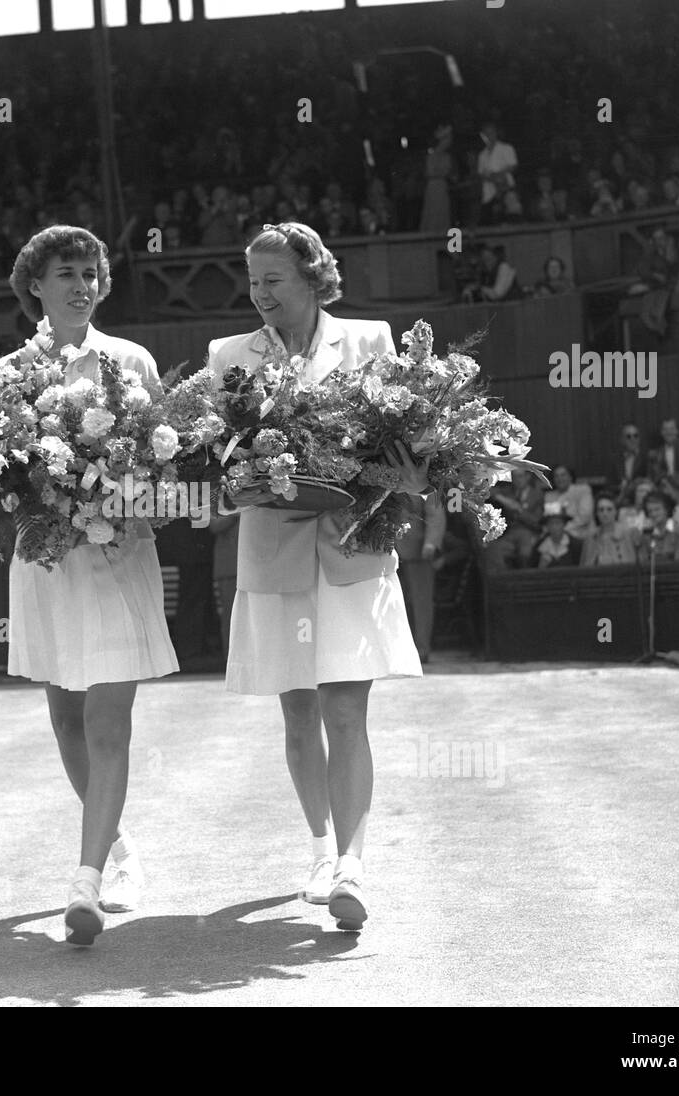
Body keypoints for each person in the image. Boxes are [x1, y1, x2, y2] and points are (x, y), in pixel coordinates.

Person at [208, 222, 426, 931]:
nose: (261, 293)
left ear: (311, 278)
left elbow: (406, 447)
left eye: (274, 279)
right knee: (299, 712)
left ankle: (353, 867)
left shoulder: (370, 341)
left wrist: (404, 475)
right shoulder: (228, 356)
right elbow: (214, 467)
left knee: (345, 709)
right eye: (252, 281)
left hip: (353, 549)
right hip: (273, 553)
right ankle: (319, 848)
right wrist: (234, 487)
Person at [0, 226, 178, 946]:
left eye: (90, 272)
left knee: (108, 724)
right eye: (65, 273)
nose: (81, 284)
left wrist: (125, 498)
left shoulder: (131, 361)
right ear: (35, 287)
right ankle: (121, 849)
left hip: (115, 557)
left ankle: (87, 880)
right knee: (67, 721)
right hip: (45, 564)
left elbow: (165, 468)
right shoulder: (11, 372)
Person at [397, 491, 445, 662]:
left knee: (421, 602)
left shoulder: (425, 473)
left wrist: (431, 543)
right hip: (382, 551)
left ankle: (421, 650)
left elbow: (435, 511)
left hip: (417, 551)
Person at [482, 468, 544, 571]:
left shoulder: (537, 494)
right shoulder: (508, 492)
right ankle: (505, 580)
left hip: (529, 531)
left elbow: (536, 520)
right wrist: (503, 499)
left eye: (520, 476)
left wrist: (518, 510)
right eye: (514, 477)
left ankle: (524, 581)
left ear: (527, 477)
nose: (517, 480)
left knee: (525, 553)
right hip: (510, 532)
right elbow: (490, 491)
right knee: (493, 551)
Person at [207, 510, 239, 656]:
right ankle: (230, 655)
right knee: (231, 615)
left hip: (256, 564)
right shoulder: (215, 494)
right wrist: (238, 511)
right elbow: (214, 524)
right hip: (230, 566)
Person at [476, 121, 518, 226]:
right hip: (489, 192)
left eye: (491, 133)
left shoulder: (506, 148)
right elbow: (481, 174)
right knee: (489, 220)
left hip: (506, 189)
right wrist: (491, 178)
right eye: (486, 134)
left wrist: (498, 175)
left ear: (496, 133)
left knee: (510, 218)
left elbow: (513, 166)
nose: (489, 136)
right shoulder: (482, 155)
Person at [580, 494, 641, 566]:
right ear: (596, 513)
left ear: (616, 511)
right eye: (601, 510)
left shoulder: (629, 533)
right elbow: (584, 567)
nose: (605, 513)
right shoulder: (590, 537)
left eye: (609, 509)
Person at [419, 125, 455, 233]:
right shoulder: (432, 155)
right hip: (434, 186)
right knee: (433, 210)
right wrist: (442, 173)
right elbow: (430, 172)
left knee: (443, 211)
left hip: (442, 186)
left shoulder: (447, 156)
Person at [544, 464, 594, 540]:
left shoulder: (583, 490)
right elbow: (550, 520)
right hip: (557, 537)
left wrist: (562, 529)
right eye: (556, 476)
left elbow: (585, 517)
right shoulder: (549, 496)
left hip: (581, 534)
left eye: (563, 475)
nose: (560, 478)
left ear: (570, 477)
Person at [640, 491, 679, 561]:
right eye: (650, 511)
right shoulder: (647, 534)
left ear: (667, 509)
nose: (653, 514)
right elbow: (644, 562)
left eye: (657, 509)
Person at [648, 418, 679, 482]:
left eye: (672, 429)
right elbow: (654, 477)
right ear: (661, 432)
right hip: (663, 487)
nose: (669, 432)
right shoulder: (655, 454)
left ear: (677, 431)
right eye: (665, 429)